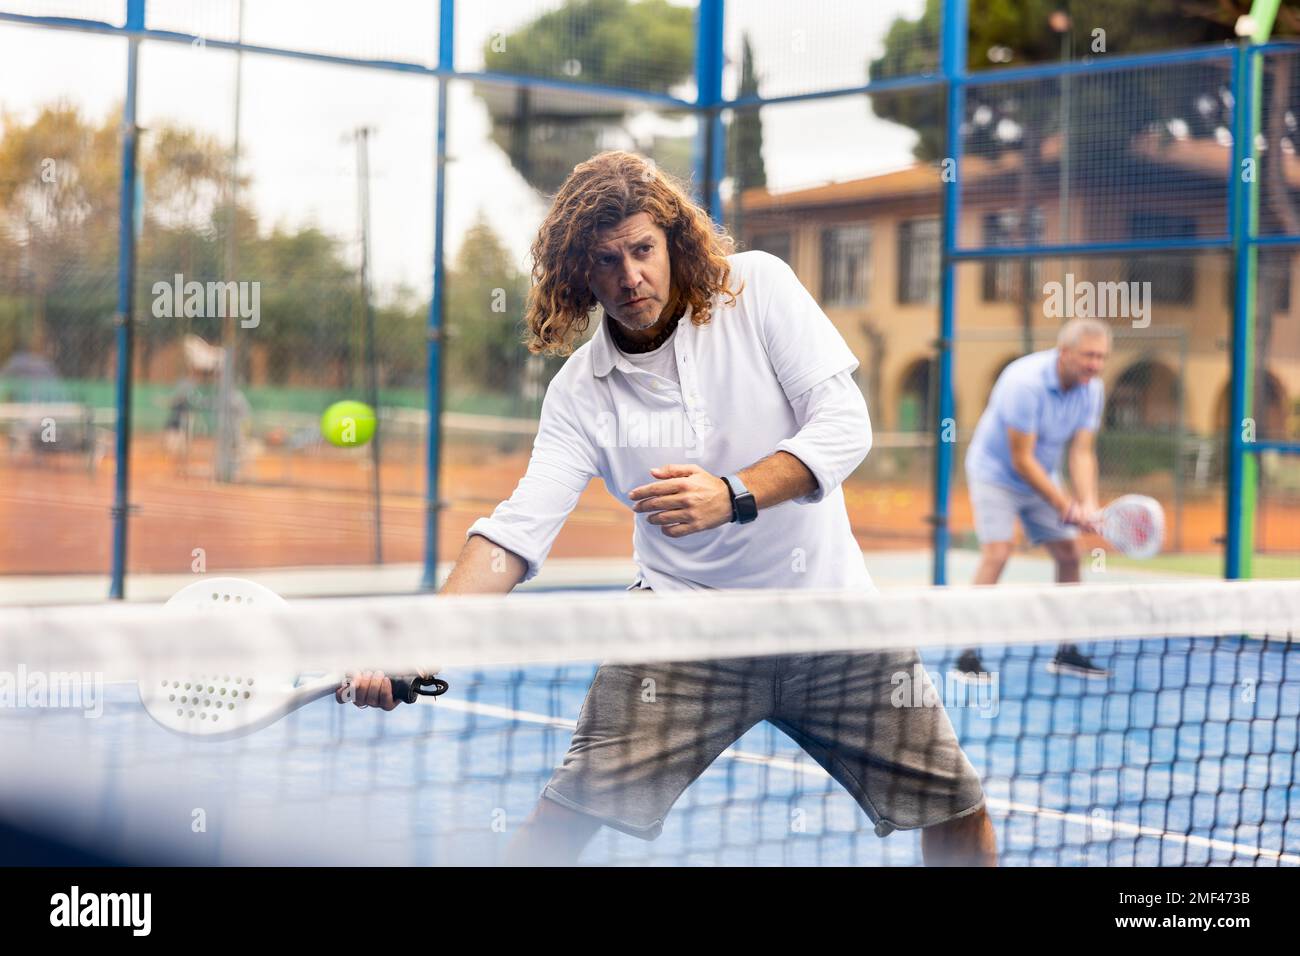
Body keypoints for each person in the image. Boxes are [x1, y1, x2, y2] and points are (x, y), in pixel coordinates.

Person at [342, 150, 994, 866]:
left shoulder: (760, 288)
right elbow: (516, 532)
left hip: (831, 614)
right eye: (605, 260)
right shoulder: (580, 394)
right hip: (681, 632)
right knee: (562, 821)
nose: (630, 277)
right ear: (578, 275)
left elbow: (845, 427)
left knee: (957, 809)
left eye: (643, 250)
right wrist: (417, 641)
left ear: (674, 243)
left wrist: (732, 493)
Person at [957, 318, 1111, 681]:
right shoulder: (1023, 383)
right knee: (998, 551)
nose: (1095, 364)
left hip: (1043, 475)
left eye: (1102, 357)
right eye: (1089, 355)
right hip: (996, 474)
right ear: (1065, 353)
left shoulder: (1093, 388)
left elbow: (1082, 452)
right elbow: (1020, 459)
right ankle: (966, 653)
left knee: (1070, 555)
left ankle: (1066, 650)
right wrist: (1064, 505)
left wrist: (1086, 502)